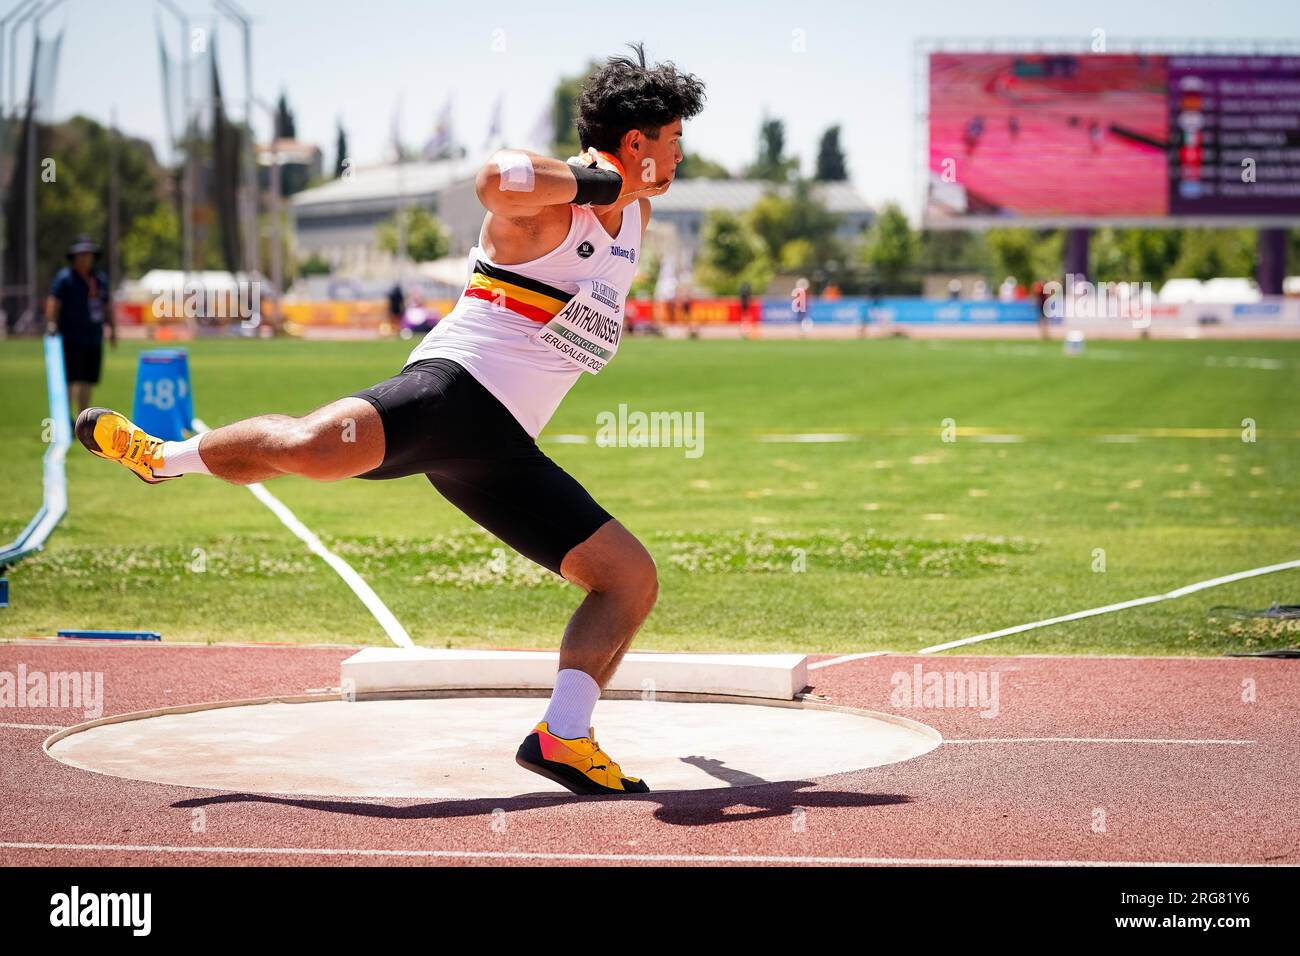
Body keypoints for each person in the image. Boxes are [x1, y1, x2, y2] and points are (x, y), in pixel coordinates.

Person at [74, 43, 705, 796]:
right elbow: (494, 177)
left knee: (628, 580)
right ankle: (161, 456)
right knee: (310, 446)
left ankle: (563, 736)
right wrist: (595, 177)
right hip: (451, 395)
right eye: (672, 142)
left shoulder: (633, 212)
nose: (678, 159)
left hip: (502, 449)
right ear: (635, 143)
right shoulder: (550, 212)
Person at [46, 236, 114, 414]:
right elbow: (54, 302)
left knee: (88, 380)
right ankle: (65, 417)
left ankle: (82, 419)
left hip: (93, 337)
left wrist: (112, 329)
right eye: (82, 254)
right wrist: (51, 324)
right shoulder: (65, 278)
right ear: (74, 257)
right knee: (70, 379)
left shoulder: (99, 279)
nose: (85, 258)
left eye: (89, 254)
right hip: (70, 337)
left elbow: (107, 305)